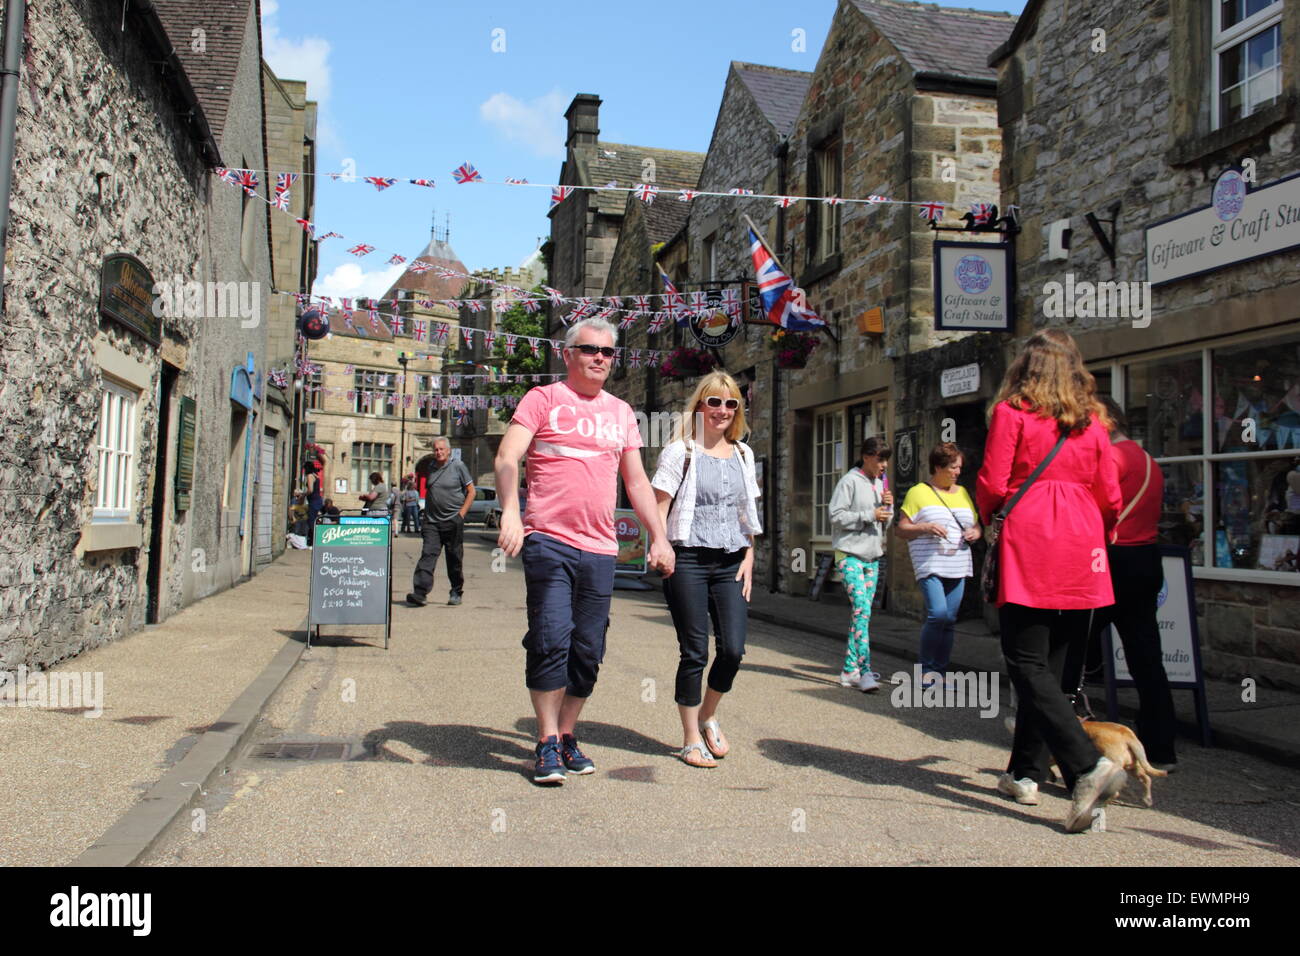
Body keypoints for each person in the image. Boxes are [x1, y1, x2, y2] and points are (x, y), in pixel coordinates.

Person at [495, 317, 674, 785]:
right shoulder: (543, 400)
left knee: (588, 650)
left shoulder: (620, 412)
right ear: (568, 354)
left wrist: (659, 536)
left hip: (600, 549)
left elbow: (635, 481)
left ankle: (569, 733)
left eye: (608, 352)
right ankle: (547, 739)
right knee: (551, 636)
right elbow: (507, 457)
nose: (599, 358)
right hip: (549, 540)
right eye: (590, 349)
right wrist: (511, 512)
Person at [976, 328, 1126, 833]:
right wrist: (1093, 529)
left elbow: (994, 483)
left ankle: (1086, 764)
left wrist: (990, 516)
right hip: (1083, 541)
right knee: (1057, 668)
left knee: (1025, 659)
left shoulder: (1012, 413)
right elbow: (1111, 495)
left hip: (1032, 536)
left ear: (1027, 367)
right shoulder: (1095, 423)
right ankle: (1025, 772)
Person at [651, 371, 763, 768]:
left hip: (731, 559)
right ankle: (689, 739)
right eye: (714, 402)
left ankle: (708, 713)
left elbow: (747, 511)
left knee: (733, 649)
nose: (722, 410)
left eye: (730, 403)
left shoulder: (743, 454)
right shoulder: (679, 451)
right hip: (688, 560)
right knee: (694, 651)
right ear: (700, 405)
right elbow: (659, 505)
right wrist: (659, 544)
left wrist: (750, 554)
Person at [1064, 395, 1178, 771]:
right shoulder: (1149, 461)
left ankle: (1066, 738)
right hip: (1146, 559)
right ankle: (1161, 747)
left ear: (1108, 421)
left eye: (1090, 419)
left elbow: (1091, 508)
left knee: (1072, 652)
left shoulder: (1112, 458)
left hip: (1110, 560)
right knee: (1147, 660)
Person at [896, 442, 981, 687]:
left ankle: (940, 673)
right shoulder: (918, 492)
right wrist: (925, 527)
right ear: (938, 467)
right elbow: (902, 529)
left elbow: (975, 524)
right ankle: (926, 670)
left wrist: (975, 532)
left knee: (950, 618)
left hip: (958, 563)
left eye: (959, 468)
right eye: (953, 467)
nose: (957, 472)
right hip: (930, 563)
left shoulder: (963, 493)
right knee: (938, 614)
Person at [829, 437, 893, 693]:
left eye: (886, 459)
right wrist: (870, 514)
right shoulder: (849, 481)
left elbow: (885, 524)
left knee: (863, 615)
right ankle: (865, 672)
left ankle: (848, 670)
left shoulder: (880, 484)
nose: (884, 464)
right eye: (880, 458)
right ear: (866, 456)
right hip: (849, 556)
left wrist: (887, 508)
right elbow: (835, 516)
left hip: (872, 557)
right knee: (862, 612)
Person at [407, 438, 475, 608]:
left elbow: (471, 491)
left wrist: (461, 515)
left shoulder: (458, 466)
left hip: (453, 520)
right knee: (428, 555)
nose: (438, 452)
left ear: (449, 450)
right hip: (432, 522)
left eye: (441, 449)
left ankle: (456, 591)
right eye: (436, 449)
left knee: (454, 558)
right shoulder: (430, 467)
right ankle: (420, 593)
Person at [302, 462, 323, 545]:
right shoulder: (316, 475)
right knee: (315, 520)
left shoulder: (310, 476)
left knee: (311, 521)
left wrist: (303, 495)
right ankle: (314, 540)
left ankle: (313, 541)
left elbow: (310, 490)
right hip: (318, 500)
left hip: (313, 501)